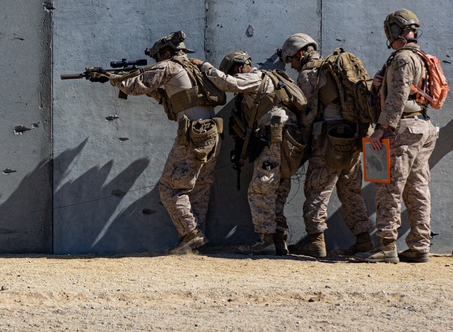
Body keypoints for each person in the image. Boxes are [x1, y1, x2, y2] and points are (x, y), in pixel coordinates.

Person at [107, 32, 225, 255]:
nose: (157, 62)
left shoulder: (169, 66)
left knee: (171, 189)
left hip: (192, 136)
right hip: (211, 135)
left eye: (158, 57)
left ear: (167, 53)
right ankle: (195, 240)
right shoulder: (193, 69)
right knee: (198, 188)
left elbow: (134, 86)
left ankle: (190, 234)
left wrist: (113, 78)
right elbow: (173, 99)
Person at [279, 33, 374, 258]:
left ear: (300, 53)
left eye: (291, 59)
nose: (292, 66)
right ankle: (363, 239)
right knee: (350, 190)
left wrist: (300, 140)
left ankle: (315, 241)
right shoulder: (335, 69)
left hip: (328, 140)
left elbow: (308, 112)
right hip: (353, 138)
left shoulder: (309, 72)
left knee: (317, 188)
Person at [356, 9, 440, 263]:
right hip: (422, 127)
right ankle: (419, 245)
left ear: (394, 30)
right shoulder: (422, 57)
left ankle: (387, 245)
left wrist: (382, 128)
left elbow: (399, 96)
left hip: (402, 128)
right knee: (417, 189)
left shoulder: (402, 58)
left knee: (389, 186)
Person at [197, 51, 300, 255]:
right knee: (277, 187)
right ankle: (279, 239)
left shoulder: (254, 77)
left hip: (274, 136)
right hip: (287, 139)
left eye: (234, 71)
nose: (235, 74)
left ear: (238, 67)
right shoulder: (268, 80)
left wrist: (203, 66)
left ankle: (267, 240)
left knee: (261, 187)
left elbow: (229, 84)